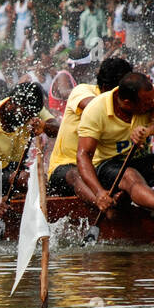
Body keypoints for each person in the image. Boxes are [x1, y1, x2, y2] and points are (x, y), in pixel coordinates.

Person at [76, 71, 154, 222]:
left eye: (152, 100)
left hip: (141, 159)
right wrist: (99, 193)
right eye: (146, 103)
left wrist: (148, 131)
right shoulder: (96, 110)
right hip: (108, 165)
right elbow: (83, 155)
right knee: (129, 174)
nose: (151, 104)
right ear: (127, 103)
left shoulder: (150, 92)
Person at [48, 56, 132, 203]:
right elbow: (92, 106)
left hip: (96, 169)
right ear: (107, 88)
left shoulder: (127, 105)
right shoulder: (82, 91)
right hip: (65, 168)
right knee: (75, 174)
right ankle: (103, 203)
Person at [0, 82, 48, 201]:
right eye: (25, 115)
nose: (27, 120)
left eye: (30, 116)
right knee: (24, 179)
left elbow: (57, 128)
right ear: (11, 103)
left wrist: (43, 126)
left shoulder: (26, 111)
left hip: (10, 171)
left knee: (42, 180)